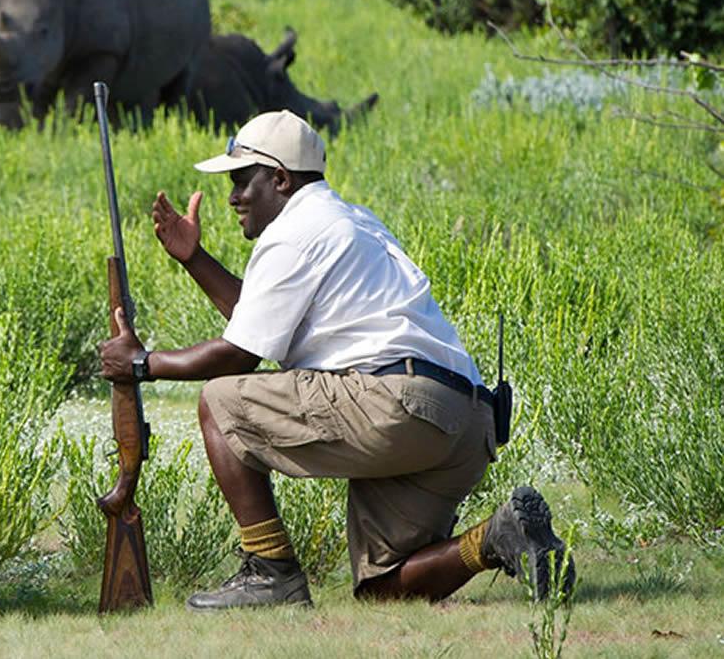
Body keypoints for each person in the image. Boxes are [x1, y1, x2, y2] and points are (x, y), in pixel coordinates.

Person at [100, 110, 575, 609]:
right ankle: (500, 536)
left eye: (241, 181)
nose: (233, 197)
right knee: (382, 588)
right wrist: (194, 259)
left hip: (394, 406)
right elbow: (257, 321)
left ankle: (270, 572)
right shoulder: (351, 219)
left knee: (220, 402)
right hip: (466, 419)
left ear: (280, 179)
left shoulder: (293, 232)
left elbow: (239, 355)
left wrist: (142, 364)